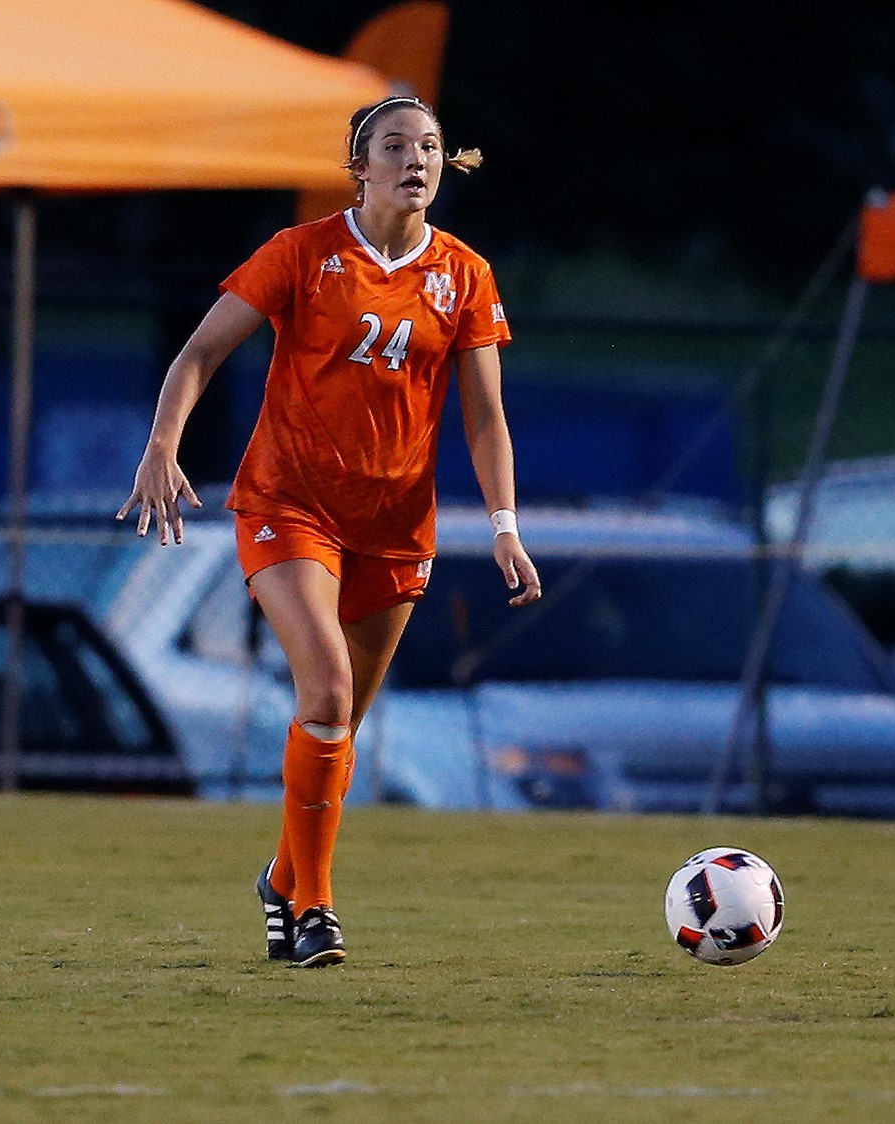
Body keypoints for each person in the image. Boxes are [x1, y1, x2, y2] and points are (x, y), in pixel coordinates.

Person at [119, 95, 542, 968]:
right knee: (325, 693)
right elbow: (197, 354)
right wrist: (162, 445)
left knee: (337, 729)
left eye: (429, 146)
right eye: (395, 146)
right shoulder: (303, 253)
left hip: (393, 527)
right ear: (360, 166)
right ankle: (314, 909)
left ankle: (283, 876)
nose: (415, 160)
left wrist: (504, 523)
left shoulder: (464, 273)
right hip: (289, 505)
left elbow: (487, 419)